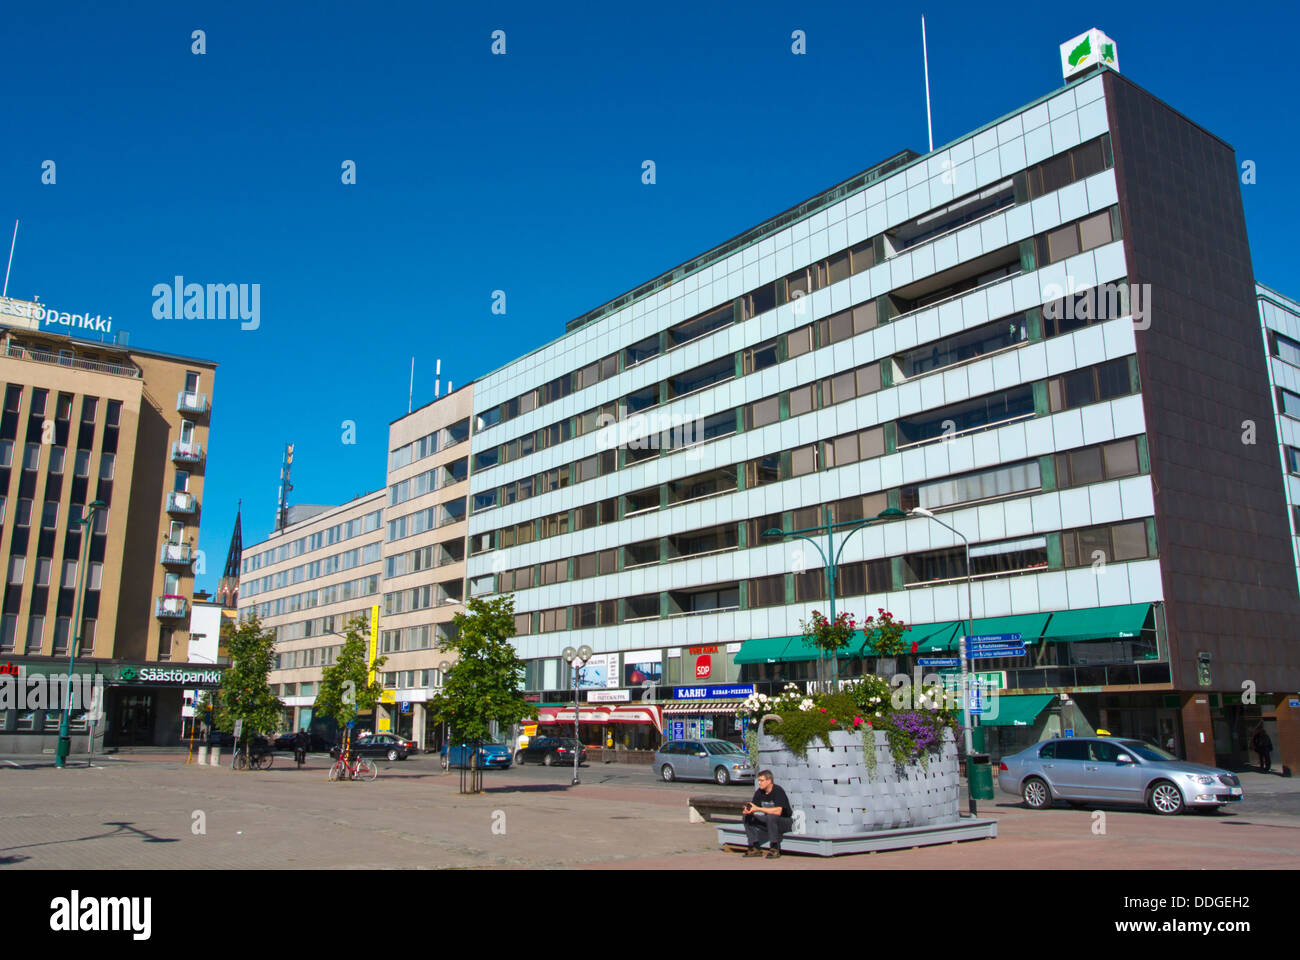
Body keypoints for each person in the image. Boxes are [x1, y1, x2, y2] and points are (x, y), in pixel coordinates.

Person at [741, 770, 794, 859]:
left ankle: (774, 848)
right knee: (747, 817)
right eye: (758, 780)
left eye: (761, 780)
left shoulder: (778, 791)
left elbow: (778, 811)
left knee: (771, 817)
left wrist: (758, 809)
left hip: (785, 823)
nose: (759, 783)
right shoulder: (760, 792)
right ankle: (755, 847)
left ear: (769, 781)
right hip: (770, 822)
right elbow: (753, 805)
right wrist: (748, 809)